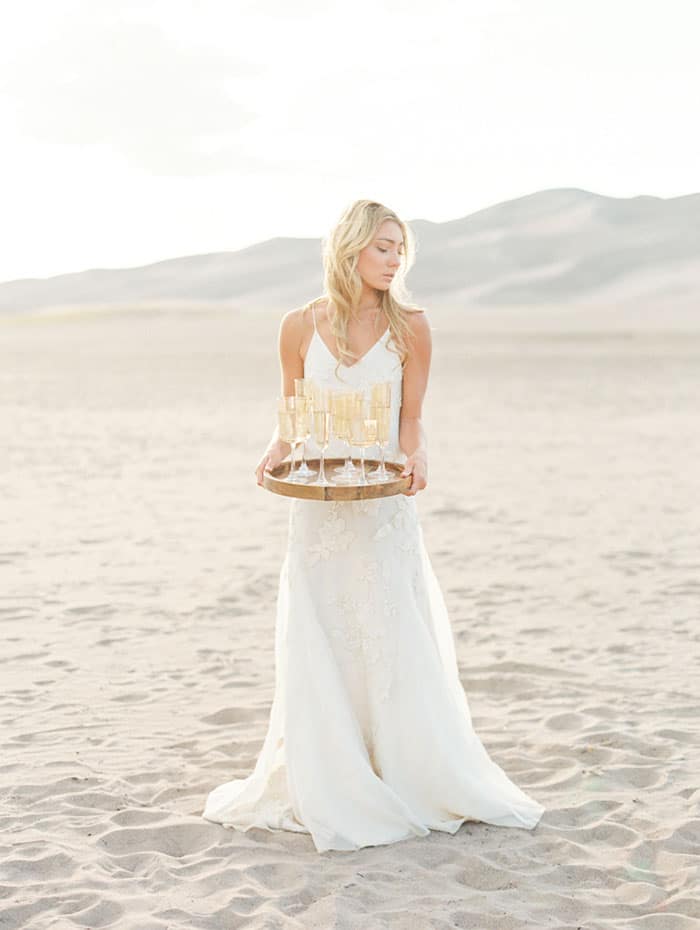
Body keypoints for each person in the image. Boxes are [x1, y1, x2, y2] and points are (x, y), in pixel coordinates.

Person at [202, 199, 545, 853]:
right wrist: (276, 446)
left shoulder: (412, 326)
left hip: (383, 505)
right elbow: (294, 410)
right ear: (351, 248)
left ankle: (402, 771)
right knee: (322, 634)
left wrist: (419, 454)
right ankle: (330, 773)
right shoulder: (298, 324)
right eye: (383, 247)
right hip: (319, 508)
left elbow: (411, 418)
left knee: (388, 635)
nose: (394, 260)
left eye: (400, 250)